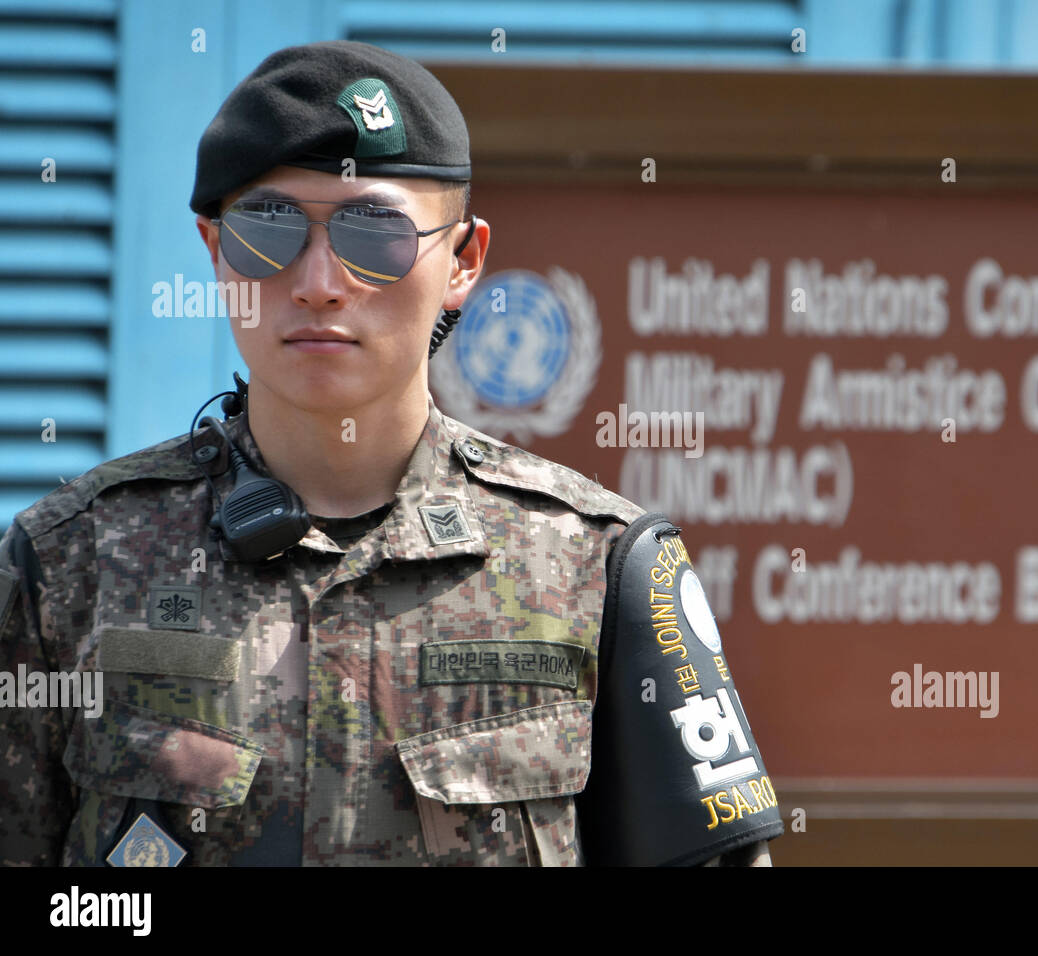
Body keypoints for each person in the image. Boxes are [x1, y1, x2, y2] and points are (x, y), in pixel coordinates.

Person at [0, 40, 782, 866]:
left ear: (464, 260)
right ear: (213, 253)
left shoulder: (602, 571)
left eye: (374, 232)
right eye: (265, 231)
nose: (319, 282)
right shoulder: (67, 566)